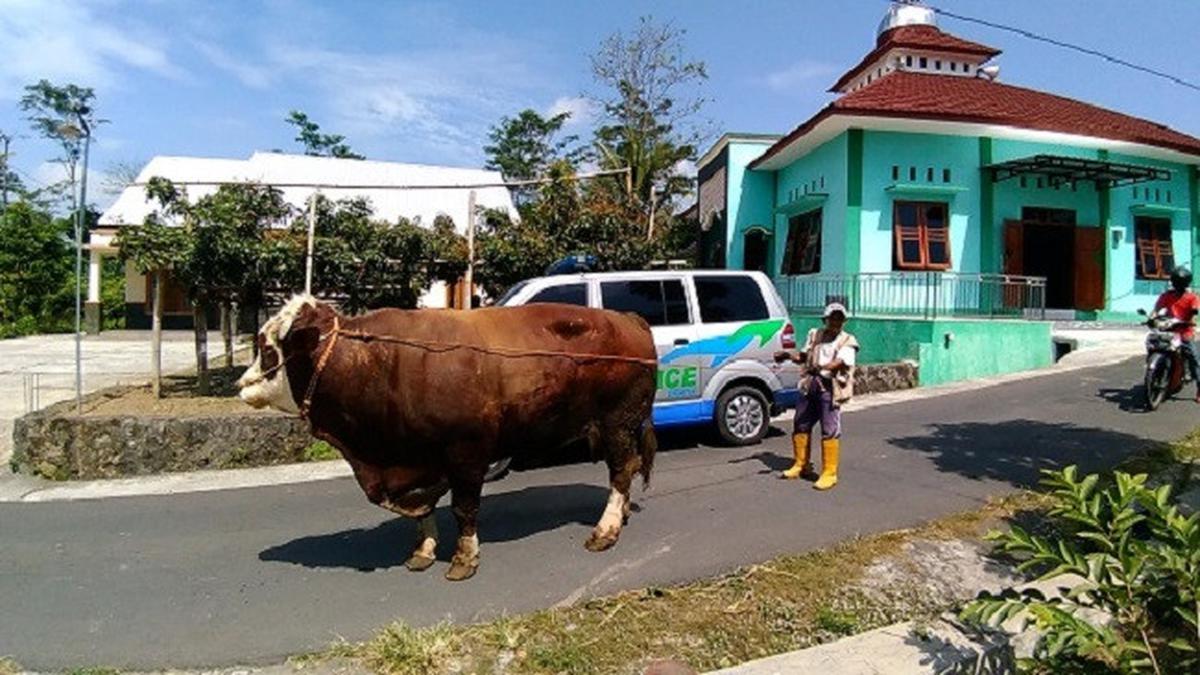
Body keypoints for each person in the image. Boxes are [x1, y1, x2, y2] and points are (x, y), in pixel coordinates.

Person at [773, 302, 859, 490]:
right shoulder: (815, 335)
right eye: (832, 318)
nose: (836, 321)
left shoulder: (848, 341)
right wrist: (787, 355)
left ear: (844, 321)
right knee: (800, 424)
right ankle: (800, 464)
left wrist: (822, 367)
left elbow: (840, 362)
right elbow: (803, 357)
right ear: (825, 319)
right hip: (809, 385)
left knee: (829, 429)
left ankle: (829, 473)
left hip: (830, 388)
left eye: (840, 318)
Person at [1152, 265, 1200, 402]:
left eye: (1180, 283)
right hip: (1168, 330)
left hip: (1185, 331)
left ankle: (1199, 388)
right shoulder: (1166, 296)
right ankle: (1155, 371)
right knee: (1153, 345)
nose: (1177, 285)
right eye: (1175, 282)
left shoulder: (1192, 297)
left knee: (1194, 359)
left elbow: (1194, 310)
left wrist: (1191, 315)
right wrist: (1152, 318)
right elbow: (1156, 309)